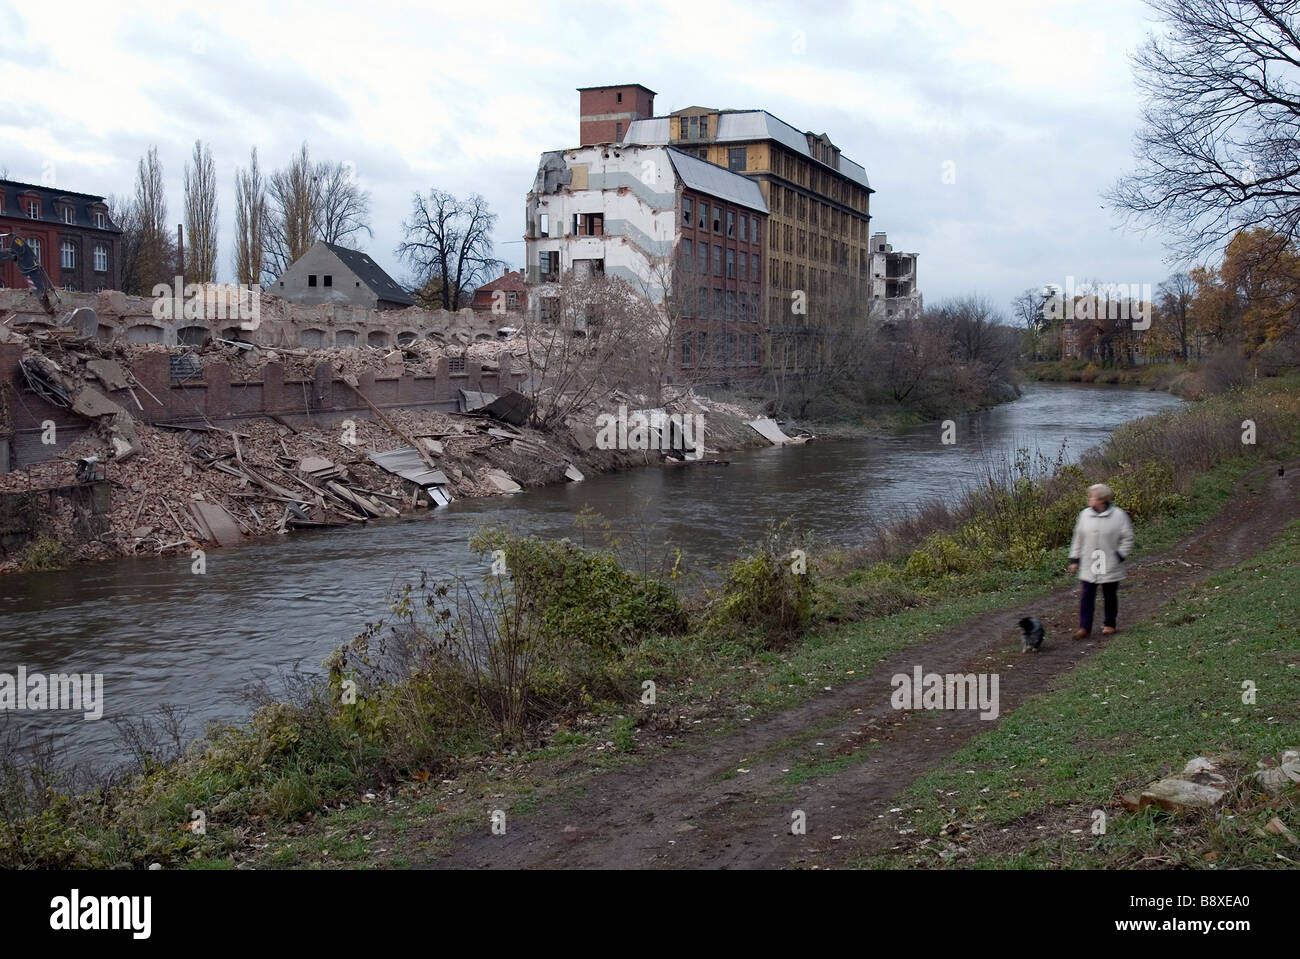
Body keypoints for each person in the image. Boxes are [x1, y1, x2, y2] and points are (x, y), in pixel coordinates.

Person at [1067, 483, 1135, 638]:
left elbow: (1128, 538)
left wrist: (1119, 555)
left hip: (1110, 562)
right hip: (1089, 562)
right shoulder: (1084, 515)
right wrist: (1074, 559)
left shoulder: (1118, 515)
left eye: (1093, 497)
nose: (1090, 499)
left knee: (1109, 595)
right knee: (1087, 595)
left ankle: (1109, 624)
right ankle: (1084, 627)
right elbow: (1078, 538)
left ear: (1102, 500)